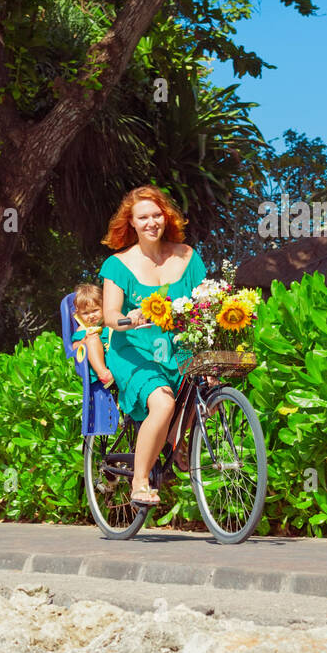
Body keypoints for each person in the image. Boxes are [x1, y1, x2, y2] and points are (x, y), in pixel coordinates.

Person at [99, 186, 206, 508]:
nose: (151, 222)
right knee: (162, 403)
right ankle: (140, 481)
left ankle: (179, 440)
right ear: (130, 222)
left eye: (156, 215)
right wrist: (129, 319)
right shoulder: (118, 264)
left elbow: (203, 303)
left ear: (166, 217)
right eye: (143, 217)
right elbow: (110, 316)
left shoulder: (187, 256)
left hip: (177, 345)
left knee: (207, 389)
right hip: (133, 348)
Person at [70, 283, 114, 387]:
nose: (91, 316)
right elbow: (75, 348)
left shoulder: (109, 323)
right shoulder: (83, 329)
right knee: (93, 339)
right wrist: (85, 340)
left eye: (95, 310)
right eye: (85, 313)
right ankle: (103, 374)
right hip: (99, 368)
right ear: (79, 314)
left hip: (116, 362)